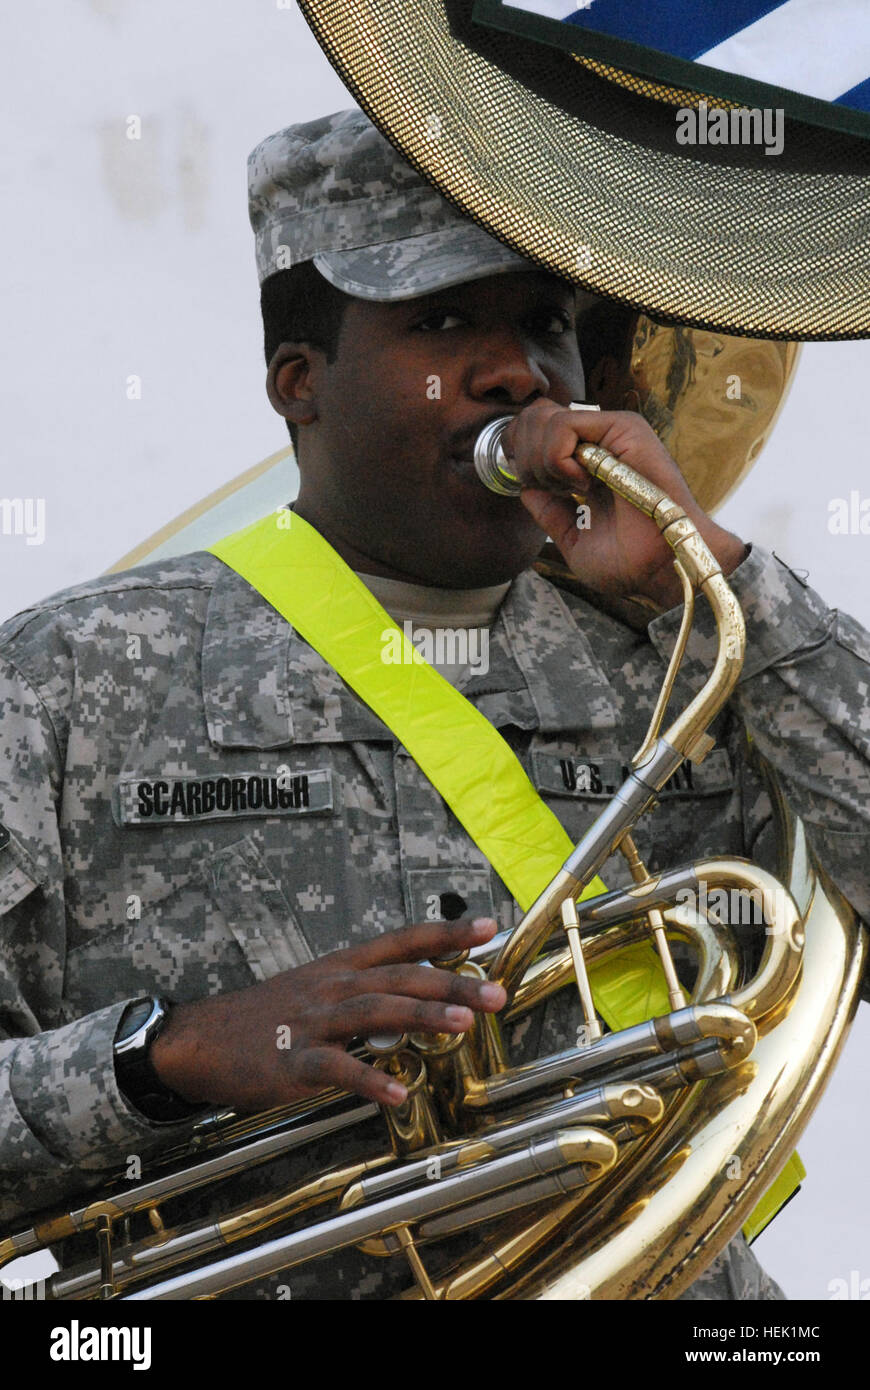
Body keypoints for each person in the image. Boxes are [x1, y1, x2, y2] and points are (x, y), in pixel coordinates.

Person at [1, 107, 868, 1302]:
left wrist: (712, 576)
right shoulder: (69, 680)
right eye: (444, 321)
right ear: (298, 382)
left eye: (547, 323)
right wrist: (165, 1057)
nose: (519, 371)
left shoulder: (689, 655)